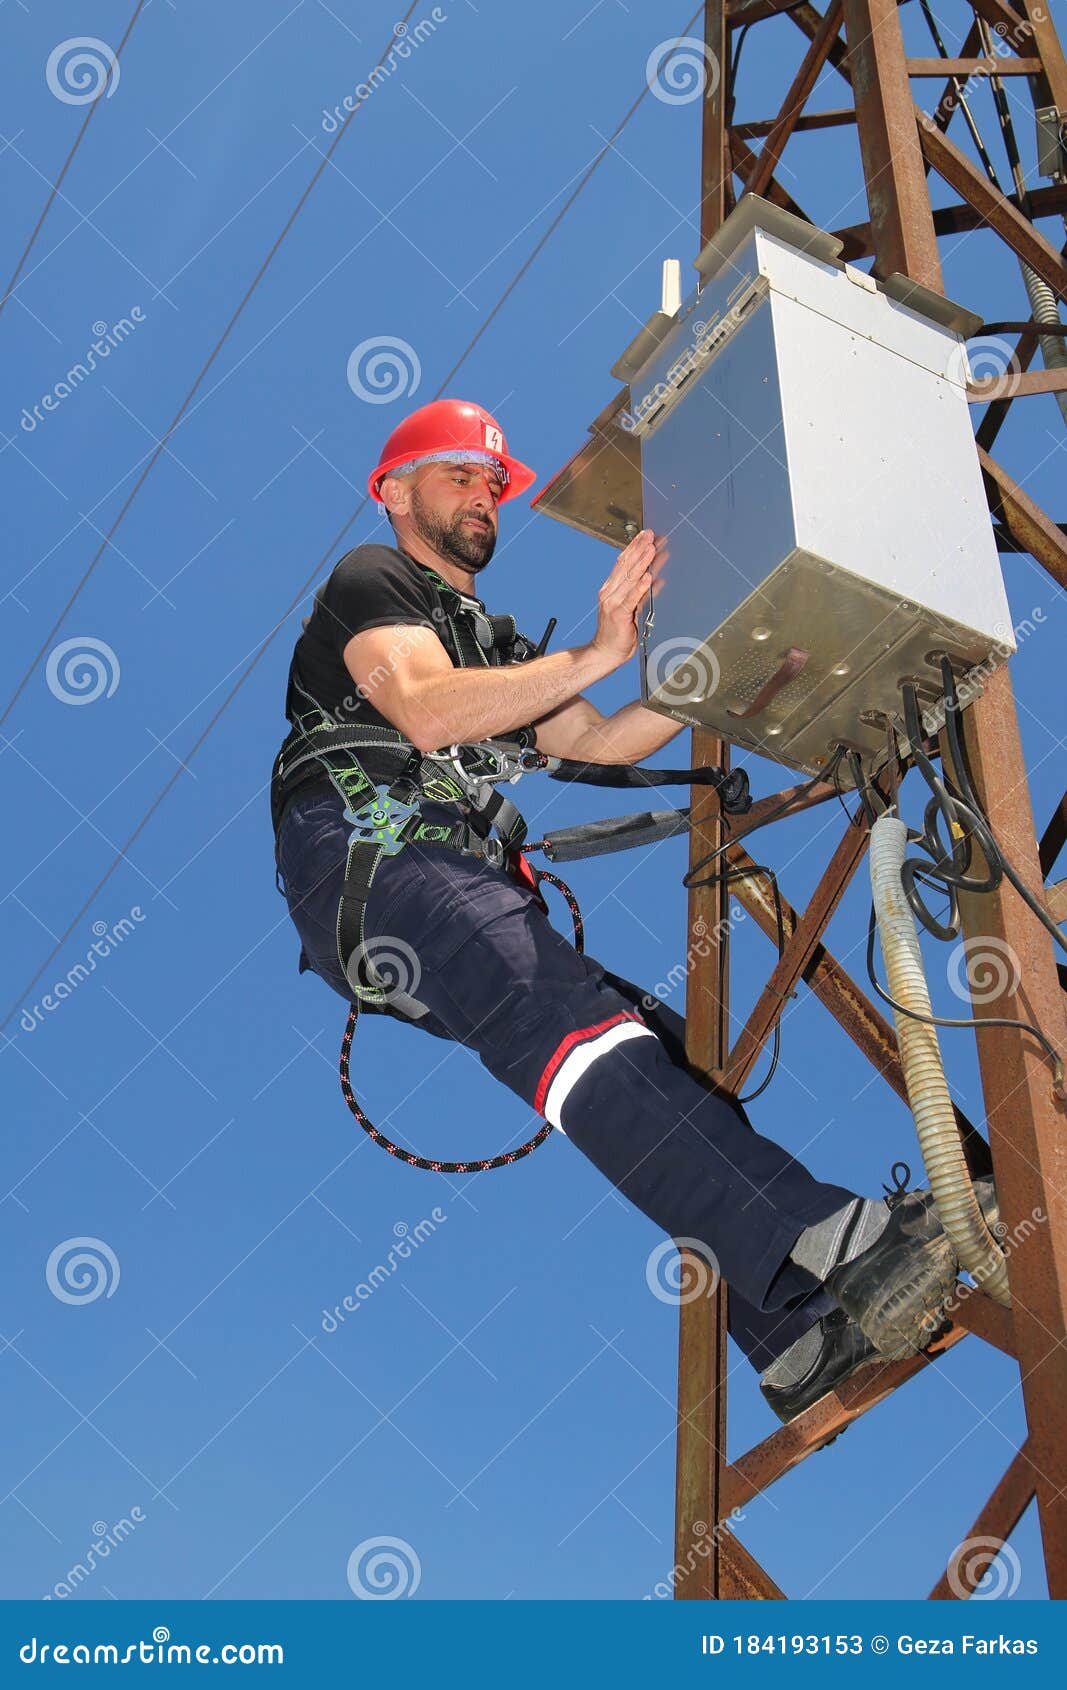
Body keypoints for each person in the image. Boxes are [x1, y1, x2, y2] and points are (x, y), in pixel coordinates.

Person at [272, 398, 984, 1425]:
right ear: (391, 491)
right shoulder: (371, 582)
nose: (482, 493)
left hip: (437, 878)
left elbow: (601, 742)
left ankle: (787, 1331)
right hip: (373, 856)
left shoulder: (493, 639)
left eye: (491, 481)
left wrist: (741, 655)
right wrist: (601, 647)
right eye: (454, 474)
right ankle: (838, 1244)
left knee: (648, 1047)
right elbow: (424, 709)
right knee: (576, 1034)